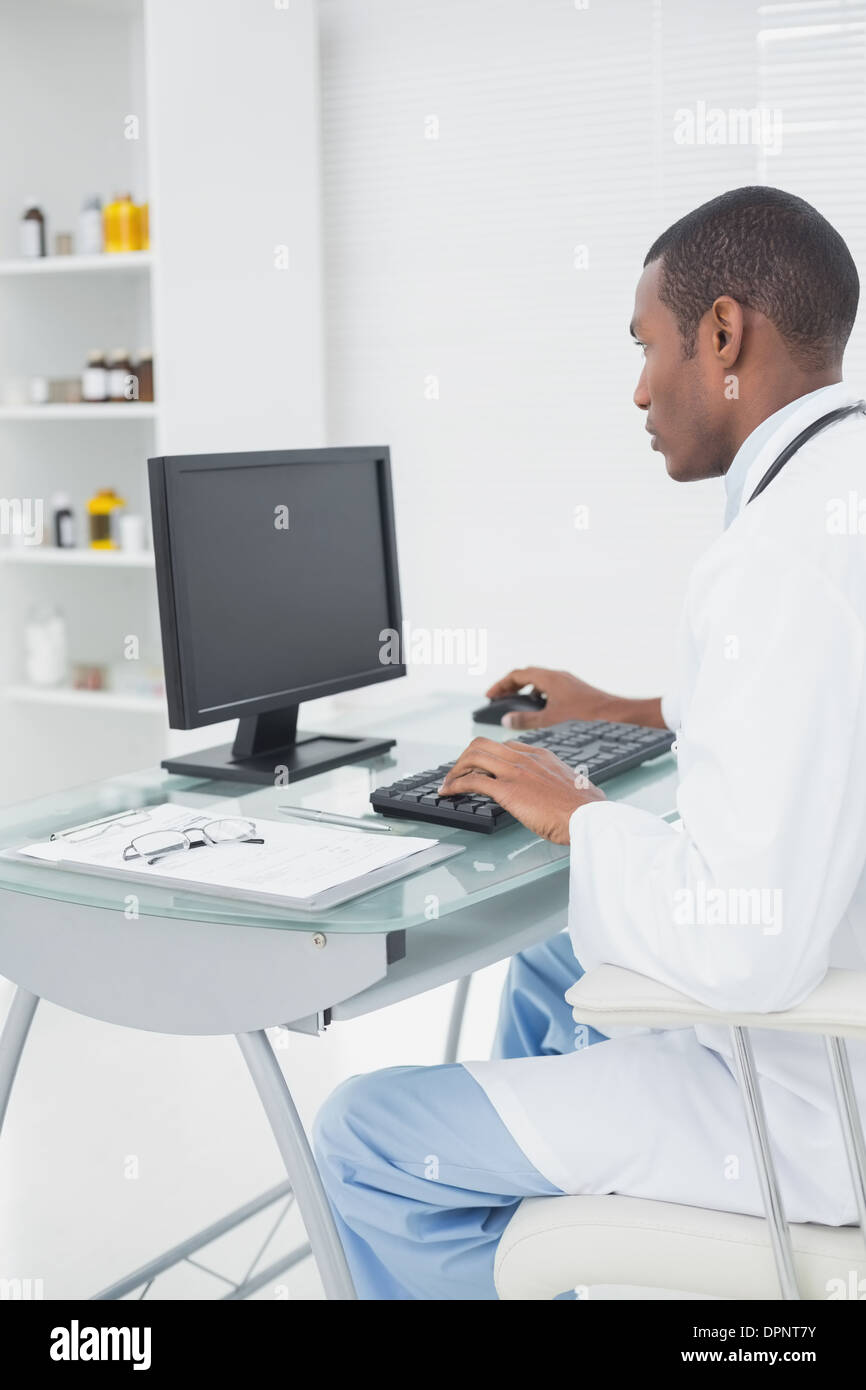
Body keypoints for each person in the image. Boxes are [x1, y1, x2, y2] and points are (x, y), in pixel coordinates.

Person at [313, 186, 866, 1300]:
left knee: (364, 1135)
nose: (637, 389)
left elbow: (748, 945)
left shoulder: (778, 561)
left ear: (720, 334)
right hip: (825, 1007)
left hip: (806, 1093)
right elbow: (817, 716)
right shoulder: (831, 497)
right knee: (547, 963)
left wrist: (577, 811)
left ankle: (535, 1222)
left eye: (644, 346)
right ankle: (544, 1230)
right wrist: (620, 708)